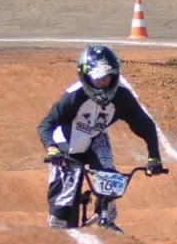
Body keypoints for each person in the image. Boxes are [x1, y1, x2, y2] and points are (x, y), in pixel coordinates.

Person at [38, 44, 164, 233]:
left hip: (95, 138)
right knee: (61, 207)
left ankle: (106, 219)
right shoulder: (73, 96)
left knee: (109, 176)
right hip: (65, 143)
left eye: (107, 77)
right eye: (97, 78)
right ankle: (57, 233)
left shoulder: (122, 97)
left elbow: (146, 126)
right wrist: (53, 149)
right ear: (85, 76)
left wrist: (154, 157)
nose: (102, 82)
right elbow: (46, 124)